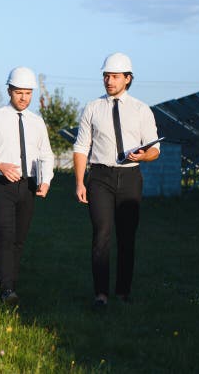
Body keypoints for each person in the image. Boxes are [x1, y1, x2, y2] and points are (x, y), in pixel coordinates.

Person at [73, 52, 160, 307]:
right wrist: (80, 182)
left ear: (128, 78)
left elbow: (155, 150)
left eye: (114, 76)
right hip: (100, 176)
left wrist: (144, 156)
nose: (109, 81)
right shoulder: (92, 107)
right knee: (101, 234)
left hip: (131, 176)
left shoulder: (141, 109)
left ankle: (123, 292)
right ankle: (101, 294)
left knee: (127, 236)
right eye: (106, 76)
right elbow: (80, 147)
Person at [0, 67, 55, 305]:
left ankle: (10, 281)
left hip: (28, 186)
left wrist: (46, 180)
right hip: (1, 185)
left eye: (28, 93)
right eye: (19, 92)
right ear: (9, 90)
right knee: (5, 235)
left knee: (19, 238)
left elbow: (47, 154)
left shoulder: (37, 122)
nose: (23, 98)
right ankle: (7, 289)